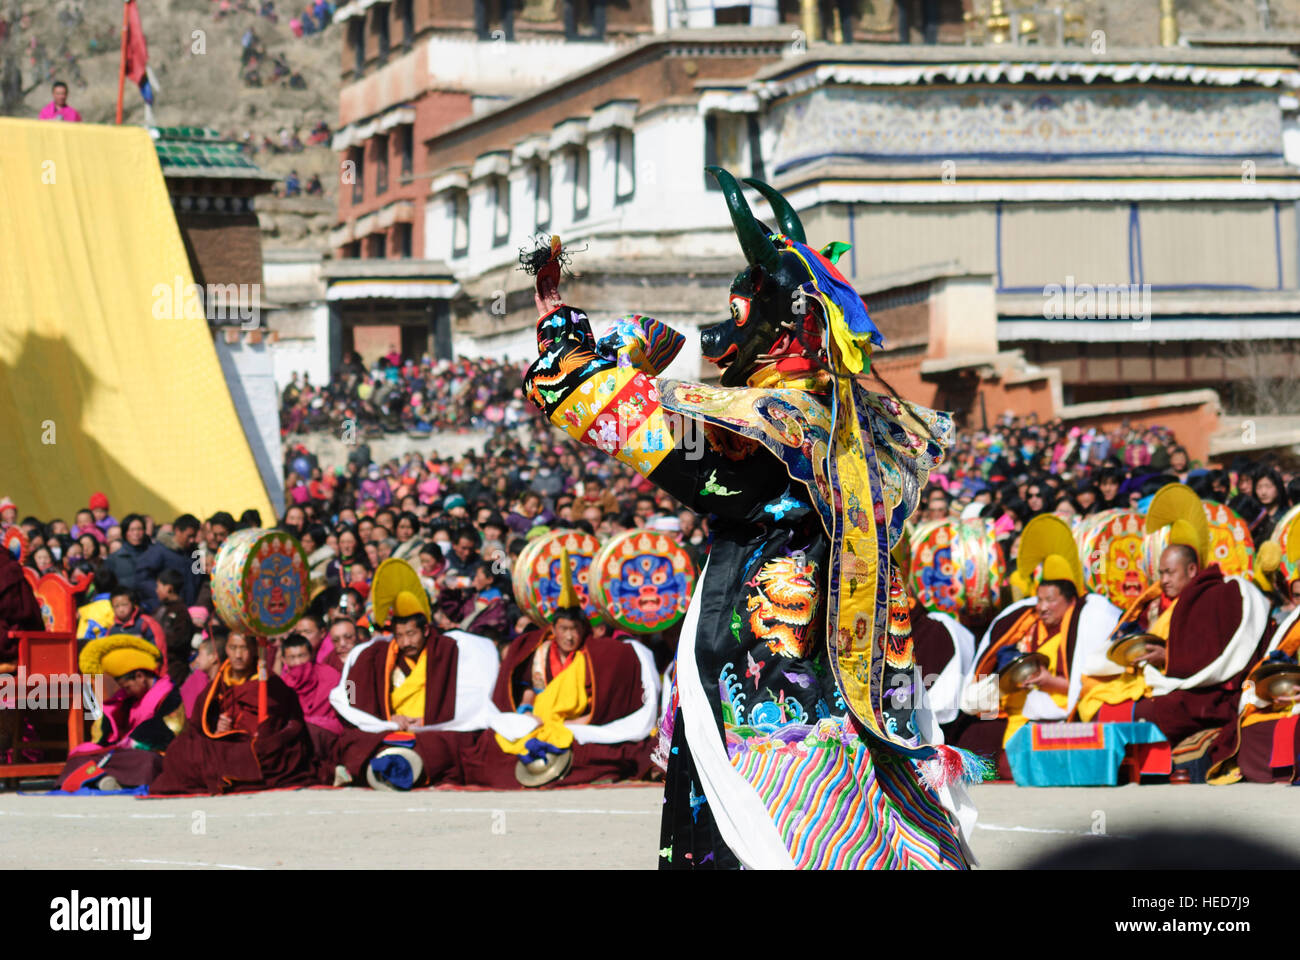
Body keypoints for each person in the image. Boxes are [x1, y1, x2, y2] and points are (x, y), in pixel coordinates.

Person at [1075, 484, 1270, 747]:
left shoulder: (1215, 595)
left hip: (1201, 690)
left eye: (1169, 572)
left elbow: (1214, 653)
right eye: (1161, 572)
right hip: (1157, 680)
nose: (1163, 580)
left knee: (1152, 711)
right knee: (1095, 693)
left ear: (1191, 569)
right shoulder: (1156, 601)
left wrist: (1168, 657)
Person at [455, 551, 658, 789]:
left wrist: (572, 725)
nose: (569, 636)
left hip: (577, 724)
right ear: (553, 628)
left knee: (596, 749)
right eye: (564, 629)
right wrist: (527, 710)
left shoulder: (591, 657)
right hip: (539, 720)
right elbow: (533, 688)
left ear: (583, 629)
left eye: (575, 629)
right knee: (493, 741)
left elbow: (598, 705)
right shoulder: (541, 651)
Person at [953, 516, 1122, 778]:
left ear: (1069, 600)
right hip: (1017, 707)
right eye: (1039, 599)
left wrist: (1047, 681)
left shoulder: (1088, 623)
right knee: (973, 735)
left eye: (1050, 600)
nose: (1042, 607)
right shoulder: (1027, 621)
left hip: (1059, 711)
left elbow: (1083, 687)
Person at [329, 558, 498, 789]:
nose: (406, 641)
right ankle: (384, 767)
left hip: (432, 726)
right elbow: (353, 693)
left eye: (412, 634)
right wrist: (385, 719)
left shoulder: (447, 652)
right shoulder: (378, 655)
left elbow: (469, 693)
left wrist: (429, 720)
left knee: (452, 741)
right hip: (393, 725)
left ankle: (389, 768)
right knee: (354, 738)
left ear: (426, 630)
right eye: (400, 635)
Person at [150, 631, 325, 794]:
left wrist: (263, 730)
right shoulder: (220, 680)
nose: (238, 655)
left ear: (255, 650)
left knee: (264, 752)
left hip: (253, 743)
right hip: (223, 742)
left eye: (244, 648)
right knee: (180, 748)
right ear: (226, 649)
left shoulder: (269, 683)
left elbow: (288, 721)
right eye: (233, 648)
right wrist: (215, 728)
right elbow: (199, 723)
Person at [57, 635, 184, 791]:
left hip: (152, 752)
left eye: (128, 687)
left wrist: (135, 740)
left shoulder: (168, 695)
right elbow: (112, 732)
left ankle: (99, 779)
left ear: (140, 676)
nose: (125, 692)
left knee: (147, 762)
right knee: (81, 755)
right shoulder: (127, 699)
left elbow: (170, 730)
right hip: (122, 752)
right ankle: (102, 780)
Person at [278, 632, 343, 758]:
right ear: (284, 660)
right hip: (297, 734)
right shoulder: (283, 685)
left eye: (302, 656)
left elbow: (349, 699)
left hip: (327, 732)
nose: (298, 662)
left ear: (312, 655)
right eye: (292, 658)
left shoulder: (331, 675)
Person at [106, 585, 168, 675]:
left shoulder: (146, 623)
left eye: (124, 605)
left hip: (146, 674)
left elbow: (160, 650)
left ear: (133, 603)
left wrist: (160, 675)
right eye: (116, 606)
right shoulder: (111, 630)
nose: (121, 610)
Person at [153, 568, 195, 687]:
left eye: (158, 586)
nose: (156, 591)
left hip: (174, 669)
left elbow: (180, 640)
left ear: (169, 588)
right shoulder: (159, 609)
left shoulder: (181, 613)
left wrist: (159, 640)